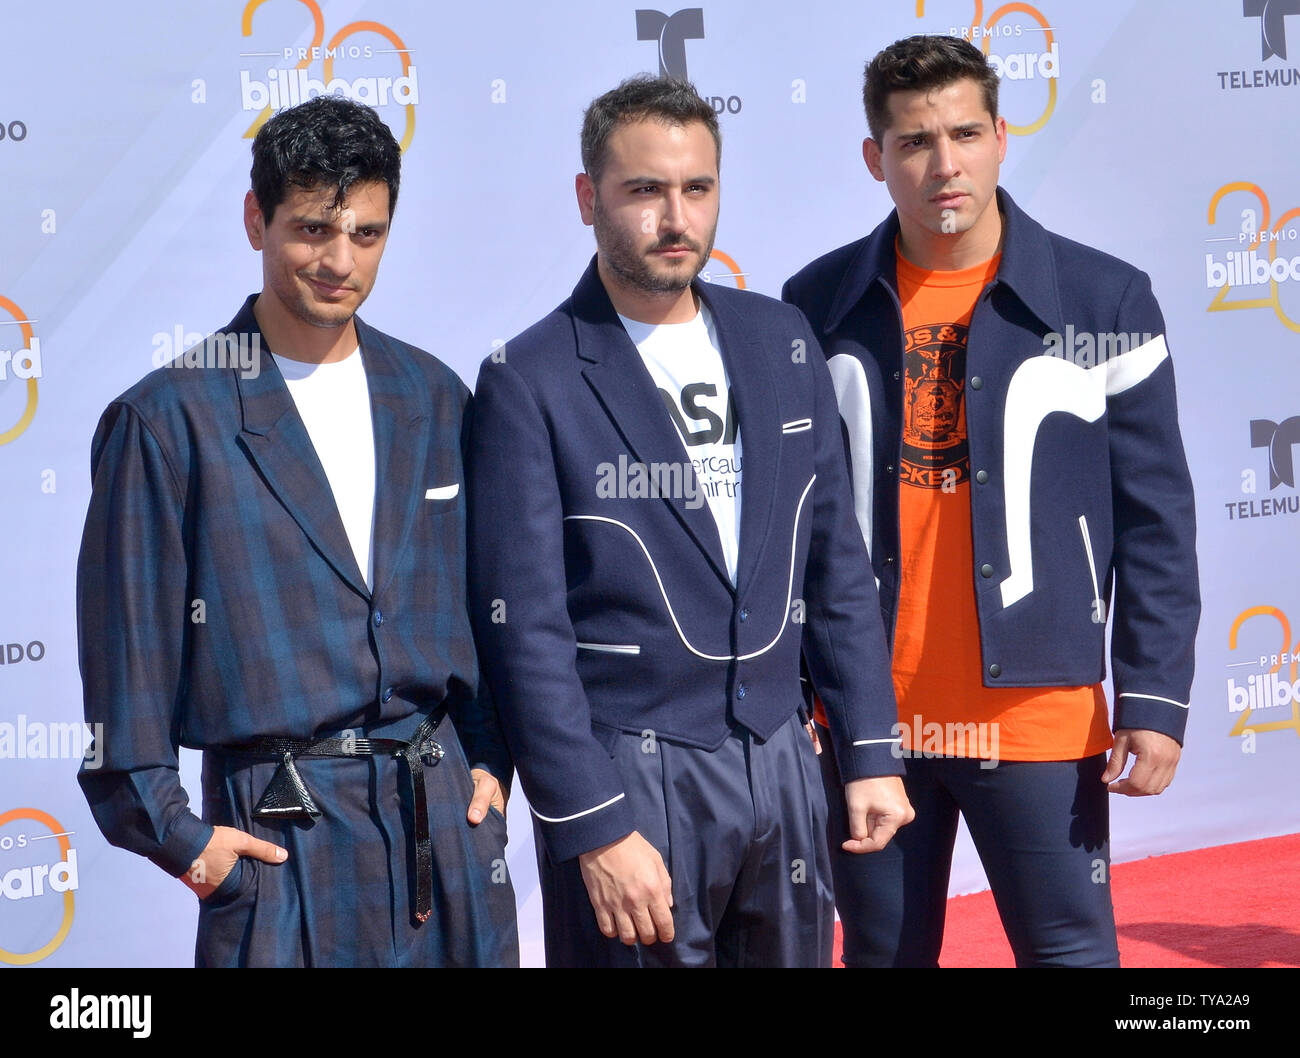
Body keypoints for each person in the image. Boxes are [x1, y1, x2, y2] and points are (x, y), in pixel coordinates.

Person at [466, 75, 912, 968]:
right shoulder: (531, 377)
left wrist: (871, 748)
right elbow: (526, 632)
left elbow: (834, 569)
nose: (677, 217)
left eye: (697, 189)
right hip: (633, 774)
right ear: (589, 198)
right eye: (645, 191)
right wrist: (594, 826)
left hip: (784, 758)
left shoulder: (781, 338)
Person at [783, 34, 1200, 967]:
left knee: (1072, 955)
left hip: (1038, 716)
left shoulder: (1104, 297)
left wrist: (1157, 695)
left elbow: (1157, 519)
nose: (945, 164)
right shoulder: (813, 305)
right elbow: (791, 518)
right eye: (914, 141)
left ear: (1003, 136)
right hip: (865, 718)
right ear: (874, 158)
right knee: (884, 958)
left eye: (965, 133)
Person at [76, 95, 517, 967]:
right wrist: (183, 840)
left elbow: (495, 608)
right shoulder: (168, 421)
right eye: (314, 229)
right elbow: (124, 681)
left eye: (367, 234)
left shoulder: (435, 398)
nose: (340, 261)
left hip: (447, 840)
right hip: (281, 849)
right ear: (256, 220)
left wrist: (494, 765)